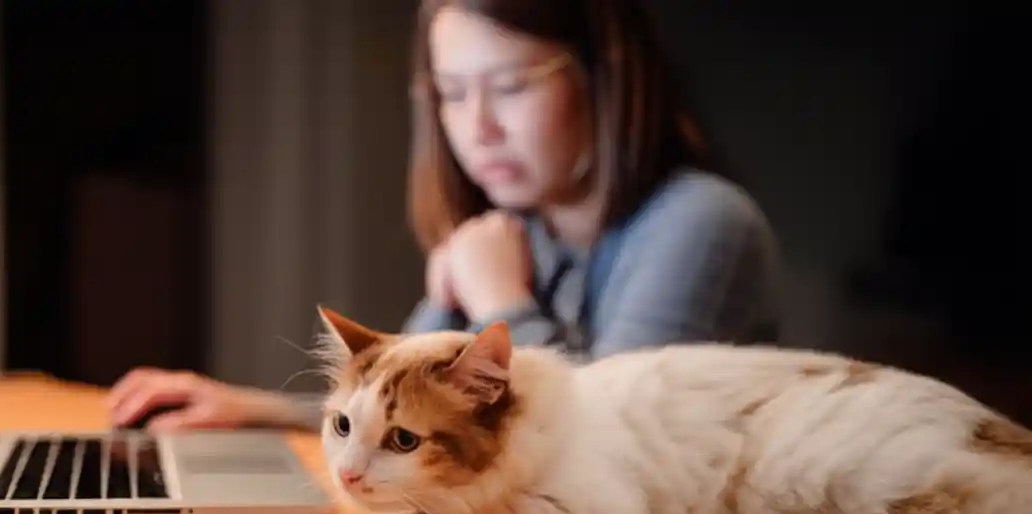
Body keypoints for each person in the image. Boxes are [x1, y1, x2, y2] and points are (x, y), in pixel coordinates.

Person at [107, 0, 783, 432]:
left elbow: (605, 440)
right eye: (453, 94)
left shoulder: (702, 223)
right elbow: (401, 413)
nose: (477, 128)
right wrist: (254, 412)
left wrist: (500, 298)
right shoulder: (516, 231)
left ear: (605, 76)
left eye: (511, 87)